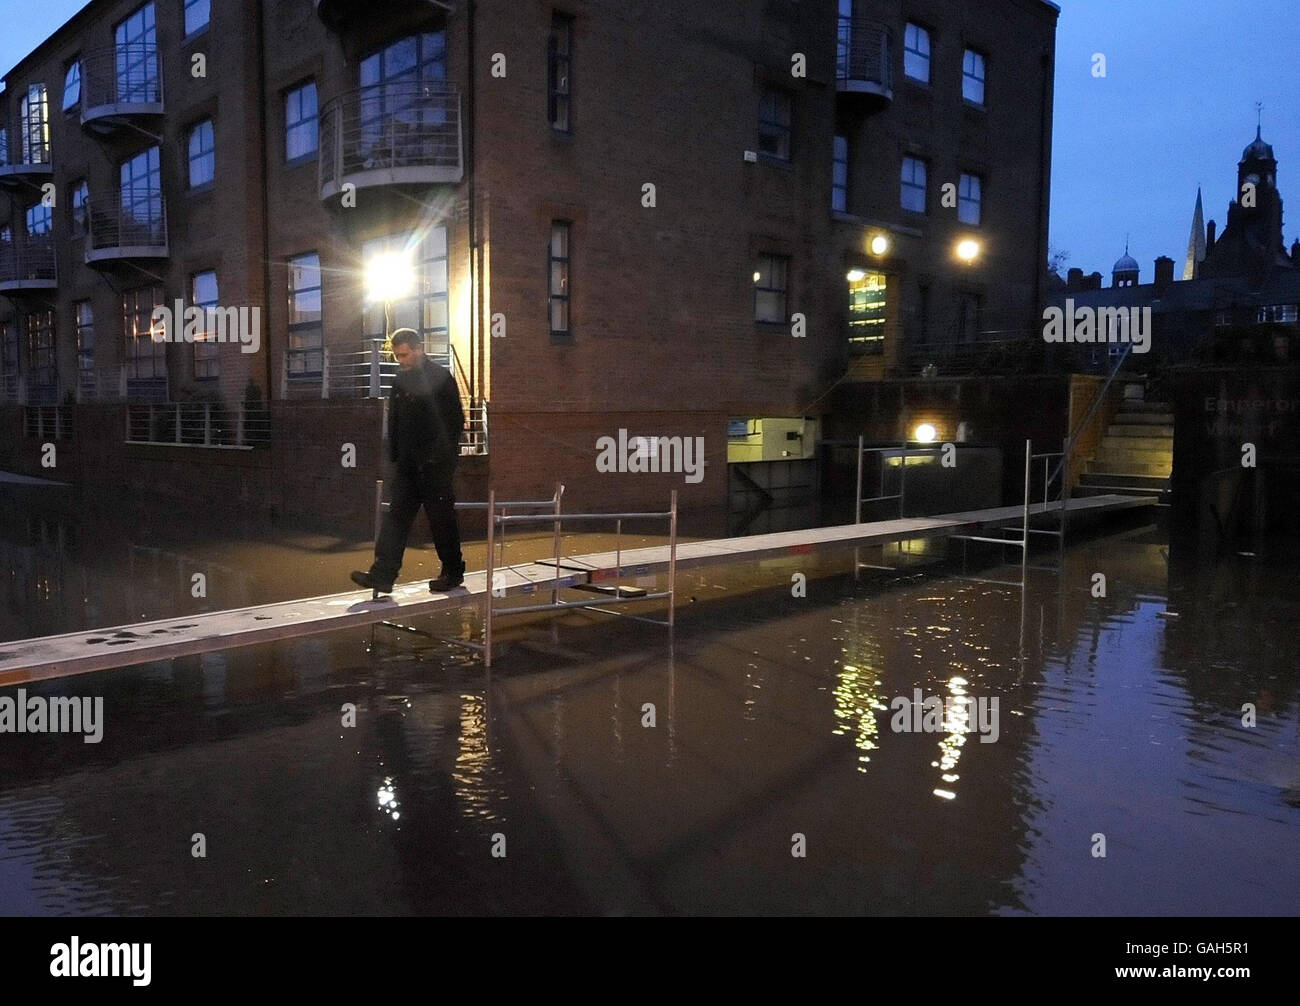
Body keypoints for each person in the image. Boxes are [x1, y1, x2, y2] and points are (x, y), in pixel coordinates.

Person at [351, 329, 466, 595]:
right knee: (396, 518)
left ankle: (452, 572)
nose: (400, 360)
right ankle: (383, 575)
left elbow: (454, 422)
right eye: (397, 356)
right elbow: (395, 422)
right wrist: (396, 457)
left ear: (418, 349)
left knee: (442, 520)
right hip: (408, 466)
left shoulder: (440, 378)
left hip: (436, 467)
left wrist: (438, 458)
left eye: (404, 355)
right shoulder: (401, 381)